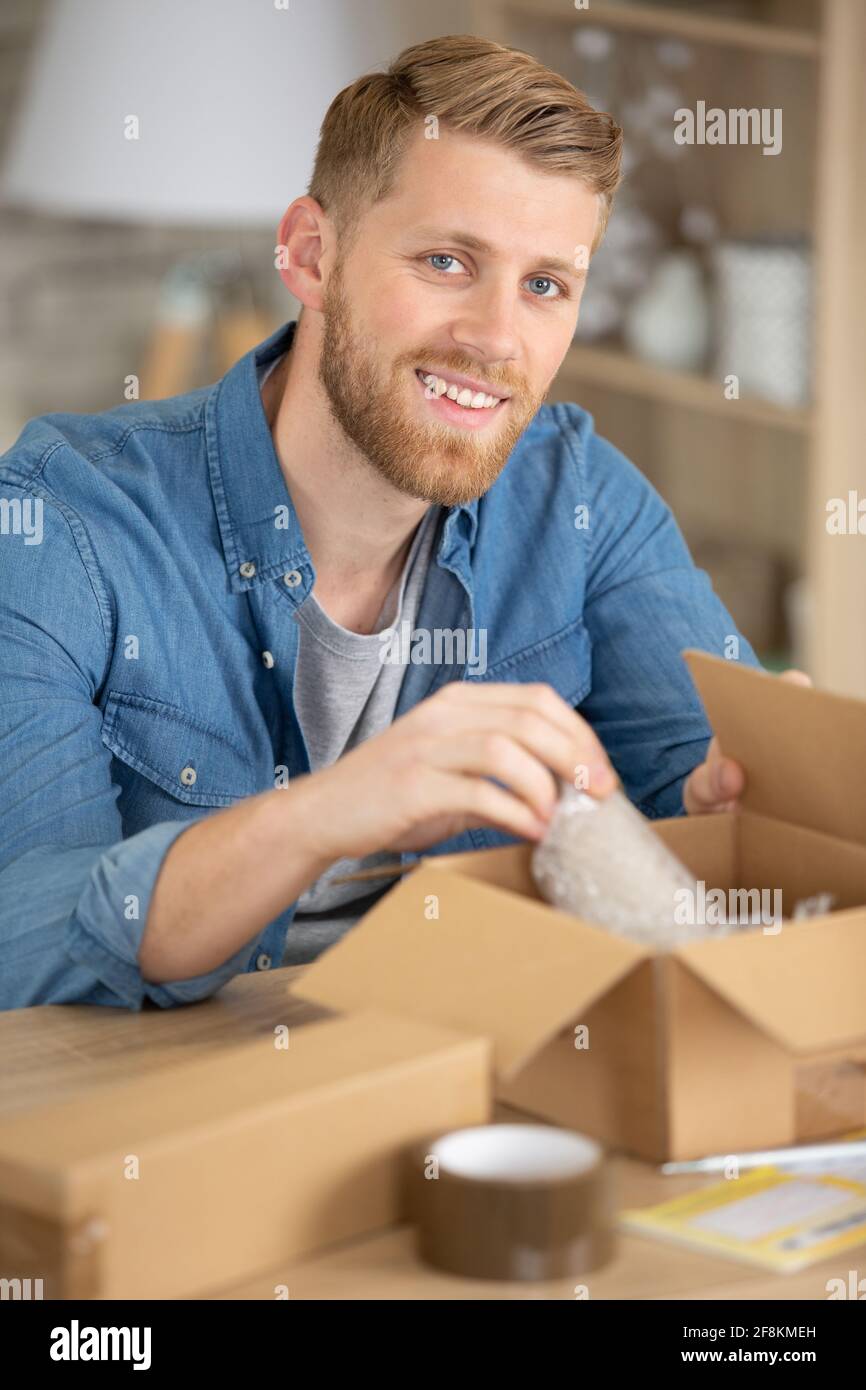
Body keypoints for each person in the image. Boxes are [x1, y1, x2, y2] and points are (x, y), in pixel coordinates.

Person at [0, 35, 787, 1011]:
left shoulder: (578, 498)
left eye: (544, 284)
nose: (497, 338)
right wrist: (324, 815)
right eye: (448, 260)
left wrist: (728, 806)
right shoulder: (60, 518)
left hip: (465, 1098)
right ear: (309, 252)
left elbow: (705, 801)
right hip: (154, 1123)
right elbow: (20, 942)